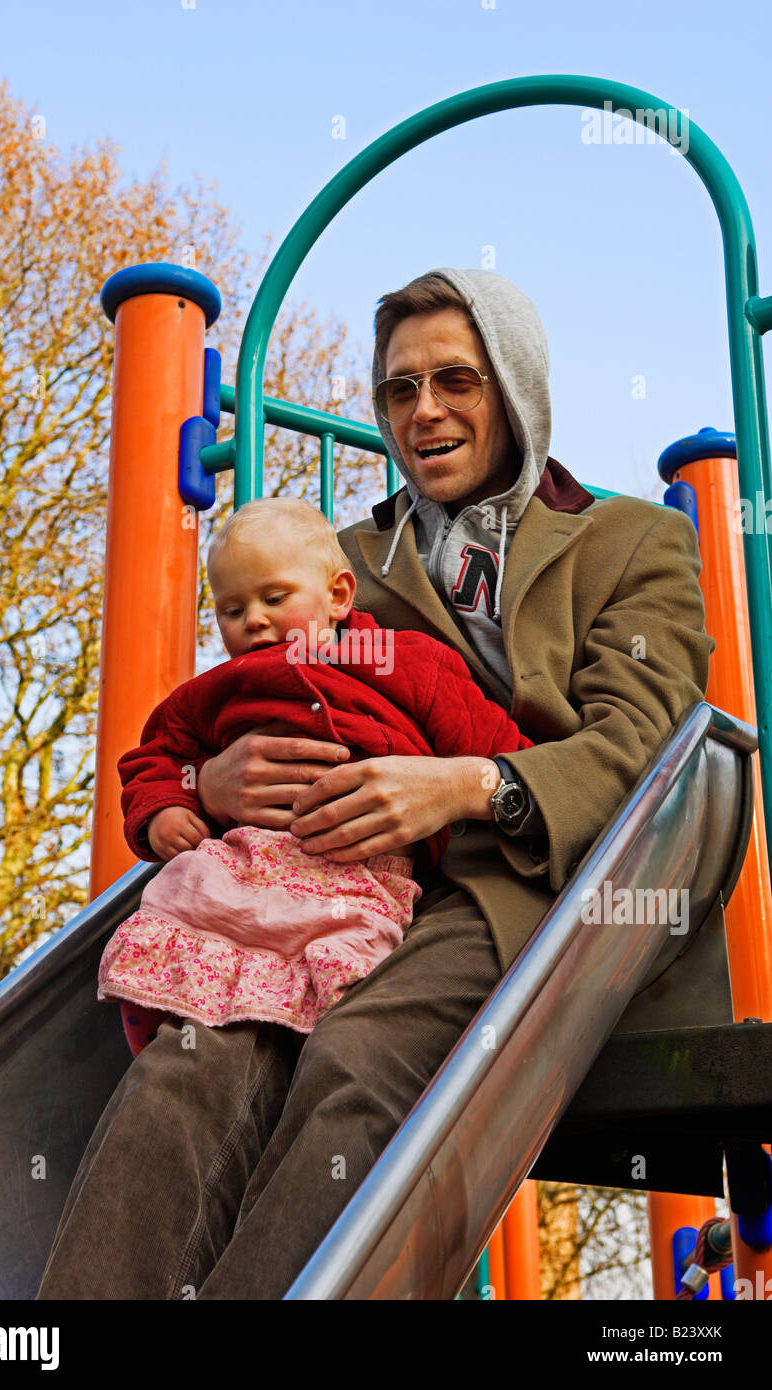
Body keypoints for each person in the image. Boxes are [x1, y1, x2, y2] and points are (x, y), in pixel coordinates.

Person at [36, 268, 712, 1302]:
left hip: (528, 877)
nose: (424, 410)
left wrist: (466, 786)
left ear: (517, 388)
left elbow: (643, 746)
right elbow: (219, 703)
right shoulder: (336, 560)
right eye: (399, 389)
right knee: (191, 1057)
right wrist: (209, 784)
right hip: (325, 874)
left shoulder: (631, 542)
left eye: (456, 380)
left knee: (359, 1057)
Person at [96, 496, 532, 1054]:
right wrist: (172, 804)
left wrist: (520, 783)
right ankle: (159, 1004)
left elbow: (497, 747)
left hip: (360, 866)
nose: (253, 619)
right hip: (246, 858)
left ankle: (318, 1029)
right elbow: (153, 757)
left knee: (351, 944)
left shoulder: (408, 663)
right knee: (188, 892)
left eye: (274, 598)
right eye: (231, 610)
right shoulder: (216, 691)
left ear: (337, 596)